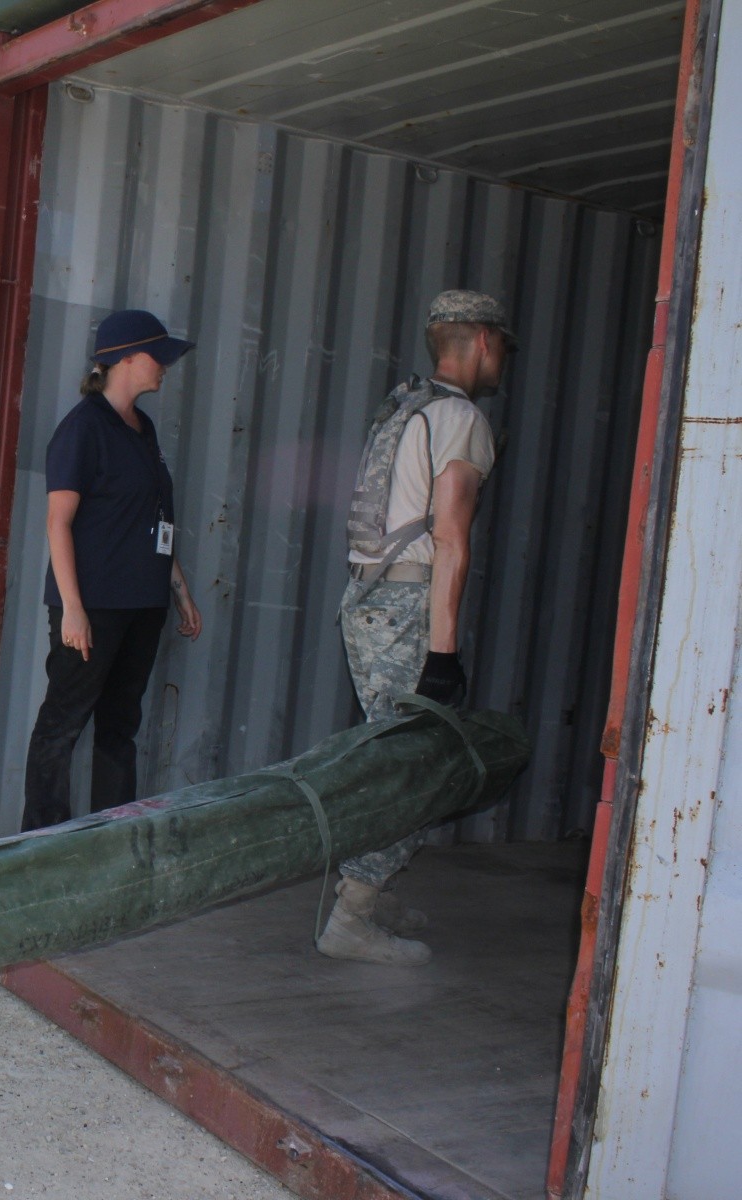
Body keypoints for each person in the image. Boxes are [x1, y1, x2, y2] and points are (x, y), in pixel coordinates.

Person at [317, 289, 512, 966]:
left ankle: (371, 891)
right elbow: (451, 538)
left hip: (369, 602)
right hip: (406, 610)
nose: (502, 359)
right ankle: (352, 917)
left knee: (398, 757)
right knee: (418, 769)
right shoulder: (461, 419)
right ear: (483, 341)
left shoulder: (406, 406)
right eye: (502, 346)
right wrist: (443, 655)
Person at [21, 309, 203, 832]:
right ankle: (41, 840)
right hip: (95, 605)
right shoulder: (83, 429)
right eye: (158, 355)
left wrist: (179, 589)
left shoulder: (143, 429)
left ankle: (112, 836)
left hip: (143, 603)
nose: (165, 365)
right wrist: (72, 610)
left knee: (120, 726)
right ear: (125, 359)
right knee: (62, 723)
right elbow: (58, 523)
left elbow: (152, 518)